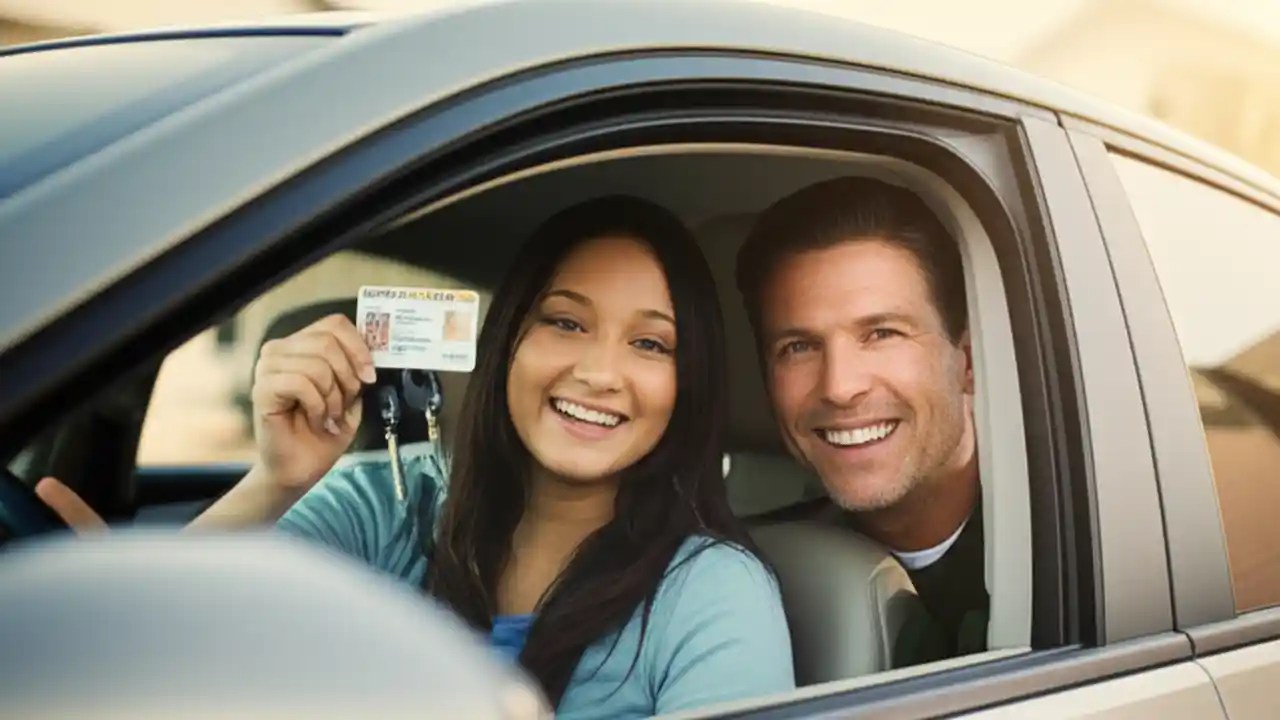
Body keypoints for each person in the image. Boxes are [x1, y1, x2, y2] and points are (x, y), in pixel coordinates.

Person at [38, 196, 795, 718]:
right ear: (506, 345)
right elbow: (174, 647)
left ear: (686, 382)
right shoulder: (389, 502)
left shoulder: (711, 593)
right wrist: (276, 480)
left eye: (649, 343)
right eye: (564, 322)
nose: (599, 371)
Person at [735, 177, 986, 665]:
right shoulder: (746, 580)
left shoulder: (1073, 554)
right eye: (799, 347)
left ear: (968, 362)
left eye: (882, 333)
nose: (839, 386)